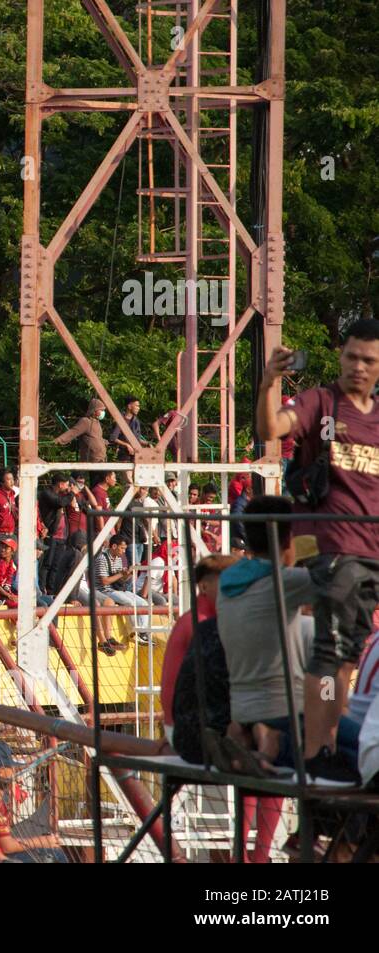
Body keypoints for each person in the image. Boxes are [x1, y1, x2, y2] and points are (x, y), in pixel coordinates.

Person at [257, 322, 379, 781]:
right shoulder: (320, 403)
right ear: (341, 356)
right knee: (330, 651)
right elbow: (271, 426)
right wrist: (269, 382)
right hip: (331, 546)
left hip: (371, 550)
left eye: (369, 360)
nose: (359, 367)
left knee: (348, 653)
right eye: (352, 357)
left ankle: (330, 744)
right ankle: (314, 753)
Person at [217, 495, 356, 777]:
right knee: (361, 752)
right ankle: (277, 748)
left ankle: (264, 743)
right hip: (287, 711)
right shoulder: (288, 590)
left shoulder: (229, 582)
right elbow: (328, 677)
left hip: (243, 709)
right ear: (288, 541)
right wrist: (337, 713)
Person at [160, 555, 238, 745]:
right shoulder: (201, 624)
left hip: (184, 724)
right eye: (228, 583)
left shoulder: (194, 619)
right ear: (204, 586)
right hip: (193, 730)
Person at [93, 533, 149, 610]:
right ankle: (134, 622)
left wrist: (130, 573)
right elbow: (105, 581)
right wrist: (121, 573)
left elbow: (121, 580)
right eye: (122, 548)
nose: (124, 551)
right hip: (104, 591)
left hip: (117, 590)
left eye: (125, 549)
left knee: (144, 604)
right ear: (114, 546)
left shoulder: (118, 558)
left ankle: (144, 623)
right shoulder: (102, 559)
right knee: (130, 603)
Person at [54, 398, 108, 463]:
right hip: (91, 459)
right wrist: (58, 440)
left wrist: (103, 441)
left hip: (101, 459)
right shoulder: (85, 421)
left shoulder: (97, 423)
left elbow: (95, 438)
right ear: (94, 411)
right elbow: (72, 432)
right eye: (101, 410)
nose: (103, 412)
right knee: (110, 473)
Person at [108, 395, 143, 464]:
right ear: (129, 406)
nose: (138, 408)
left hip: (136, 456)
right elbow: (113, 438)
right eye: (136, 406)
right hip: (123, 455)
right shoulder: (120, 420)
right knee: (128, 474)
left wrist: (148, 444)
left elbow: (137, 439)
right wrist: (126, 445)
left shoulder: (136, 421)